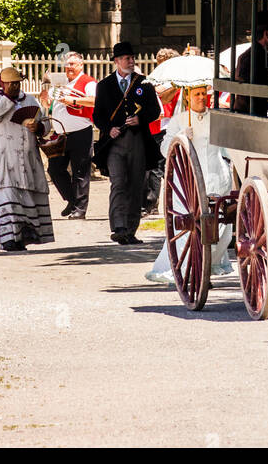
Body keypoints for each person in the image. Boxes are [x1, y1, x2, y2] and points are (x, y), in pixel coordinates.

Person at [145, 83, 234, 285]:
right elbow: (165, 148)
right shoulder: (178, 120)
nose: (202, 98)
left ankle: (207, 264)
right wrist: (182, 135)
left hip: (216, 175)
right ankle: (189, 267)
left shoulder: (217, 119)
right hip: (189, 179)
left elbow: (227, 148)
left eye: (204, 93)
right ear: (188, 97)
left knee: (220, 226)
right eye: (197, 94)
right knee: (191, 225)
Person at [93, 41, 161, 245]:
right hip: (114, 143)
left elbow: (155, 111)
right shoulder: (104, 85)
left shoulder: (144, 83)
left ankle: (130, 229)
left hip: (138, 140)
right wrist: (108, 128)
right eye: (126, 58)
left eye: (132, 58)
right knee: (118, 183)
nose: (131, 61)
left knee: (136, 185)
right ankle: (118, 226)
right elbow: (97, 114)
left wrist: (141, 119)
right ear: (116, 61)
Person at [0, 66, 54, 252]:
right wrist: (7, 98)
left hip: (27, 158)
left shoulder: (29, 99)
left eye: (17, 83)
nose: (14, 86)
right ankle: (8, 239)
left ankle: (23, 237)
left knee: (26, 196)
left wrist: (38, 128)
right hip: (3, 158)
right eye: (10, 83)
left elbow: (45, 122)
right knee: (7, 194)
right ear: (2, 83)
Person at [45, 51, 97, 219]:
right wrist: (44, 94)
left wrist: (73, 101)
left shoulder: (88, 82)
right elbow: (48, 102)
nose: (69, 68)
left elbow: (94, 100)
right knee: (54, 169)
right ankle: (72, 200)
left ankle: (80, 210)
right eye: (67, 65)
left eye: (72, 64)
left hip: (81, 133)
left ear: (81, 65)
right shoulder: (60, 83)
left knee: (80, 172)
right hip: (60, 133)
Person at [144, 47, 180, 212]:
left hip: (169, 126)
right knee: (155, 167)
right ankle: (152, 202)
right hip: (156, 127)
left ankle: (154, 202)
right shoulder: (156, 79)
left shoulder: (177, 81)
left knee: (160, 168)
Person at [234, 13, 268, 113]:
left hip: (246, 113)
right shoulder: (261, 58)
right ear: (267, 34)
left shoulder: (248, 55)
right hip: (255, 114)